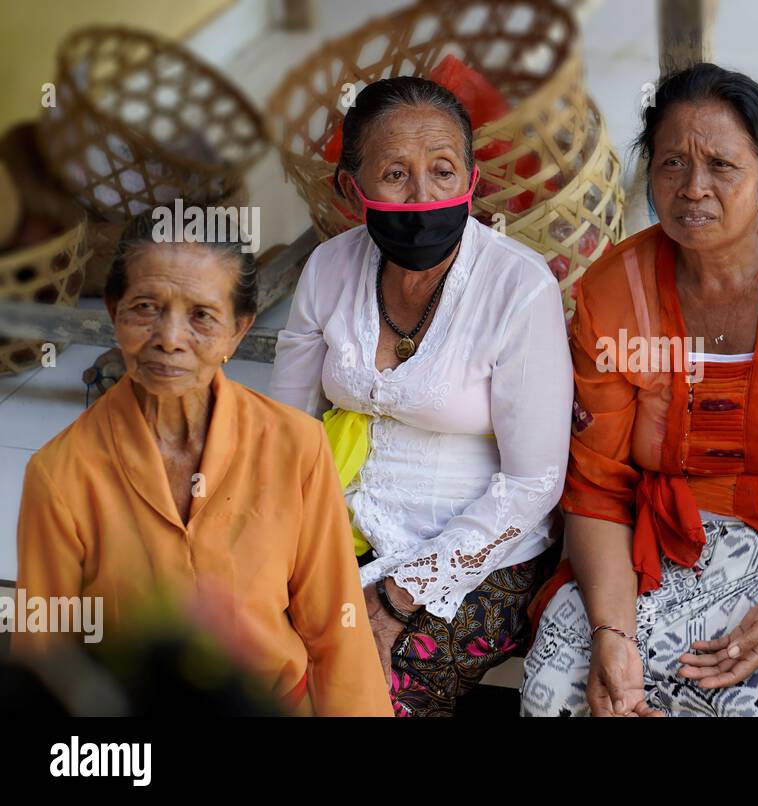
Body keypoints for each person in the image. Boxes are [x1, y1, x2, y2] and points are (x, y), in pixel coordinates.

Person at [521, 63, 758, 717]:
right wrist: (613, 635)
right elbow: (597, 487)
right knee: (560, 689)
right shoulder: (615, 288)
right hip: (658, 549)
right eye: (672, 164)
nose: (693, 188)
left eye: (721, 166)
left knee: (749, 706)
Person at [269, 76, 572, 717]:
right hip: (343, 535)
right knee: (253, 657)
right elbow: (285, 435)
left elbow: (534, 484)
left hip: (482, 557)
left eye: (441, 171)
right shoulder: (328, 269)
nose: (423, 195)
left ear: (471, 177)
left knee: (369, 692)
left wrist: (393, 599)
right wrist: (289, 565)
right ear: (352, 189)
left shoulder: (518, 287)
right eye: (394, 174)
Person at [14, 206, 391, 716]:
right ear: (113, 311)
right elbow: (46, 660)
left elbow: (336, 629)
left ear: (239, 330)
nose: (169, 338)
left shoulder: (297, 447)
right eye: (145, 307)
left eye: (201, 316)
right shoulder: (59, 475)